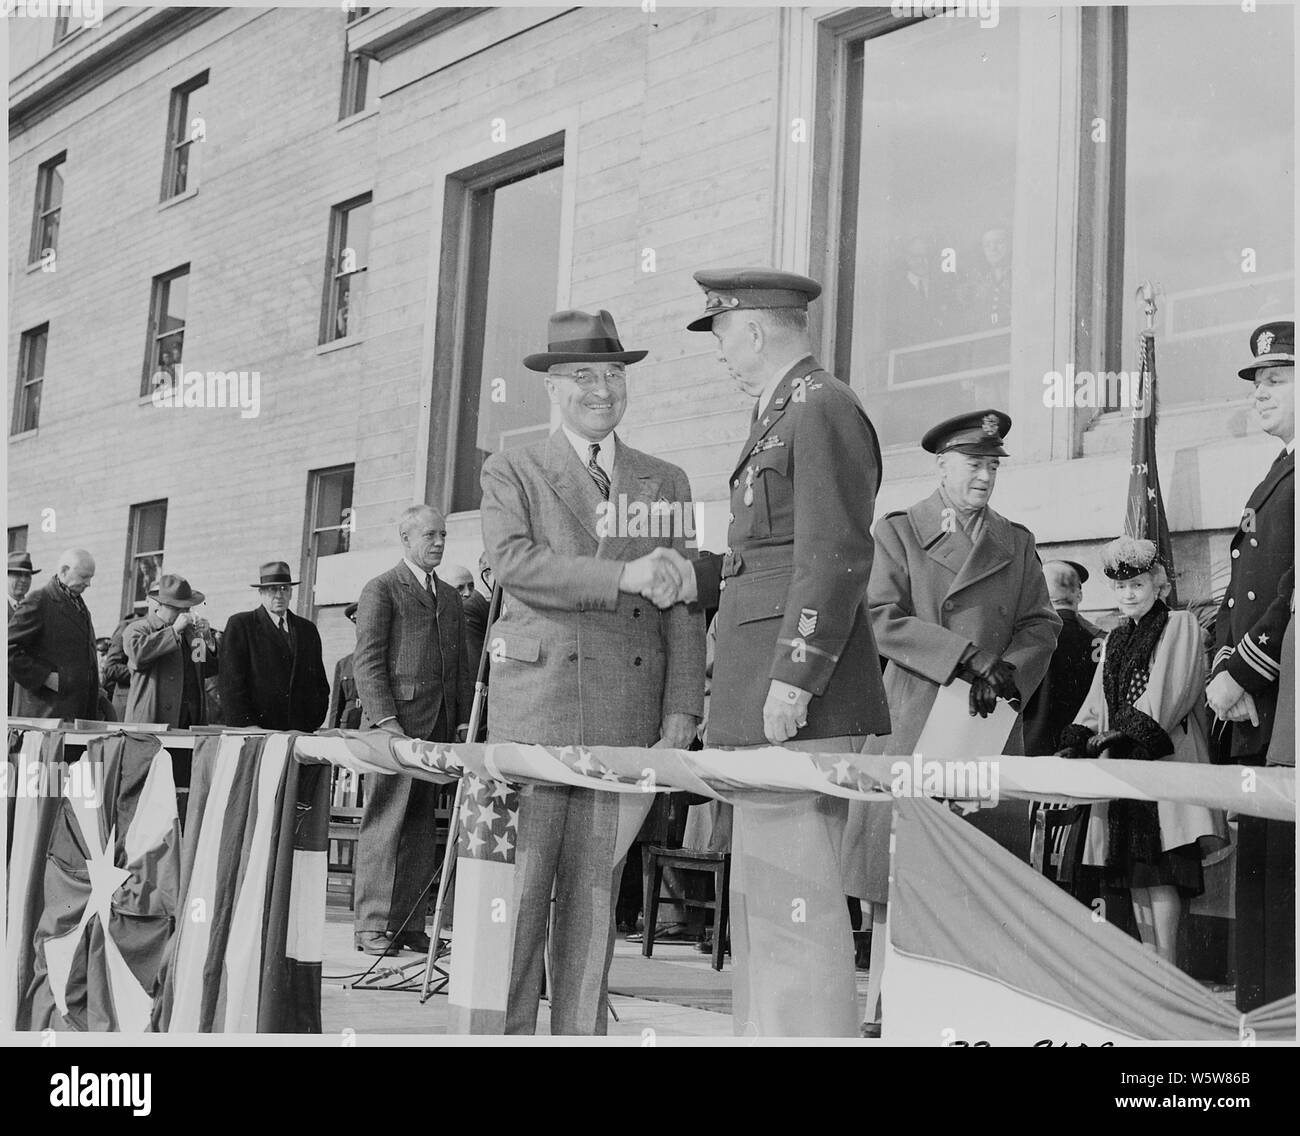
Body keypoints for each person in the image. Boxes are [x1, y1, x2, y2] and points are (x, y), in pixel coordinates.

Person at [652, 268, 891, 1037]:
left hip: (796, 701)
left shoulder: (820, 409)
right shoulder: (781, 412)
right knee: (763, 905)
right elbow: (767, 558)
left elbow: (835, 552)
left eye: (720, 331)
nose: (719, 349)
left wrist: (796, 673)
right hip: (760, 700)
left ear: (753, 329)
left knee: (799, 903)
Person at [480, 308, 704, 1035]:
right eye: (583, 376)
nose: (602, 389)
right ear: (551, 386)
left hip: (626, 719)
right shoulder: (512, 468)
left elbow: (683, 606)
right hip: (538, 713)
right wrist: (624, 577)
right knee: (517, 900)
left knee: (592, 902)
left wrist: (680, 715)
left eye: (614, 374)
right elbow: (515, 565)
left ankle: (580, 1036)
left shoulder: (665, 482)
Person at [847, 410, 1061, 1032]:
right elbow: (880, 614)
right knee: (896, 873)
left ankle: (965, 1008)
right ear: (941, 465)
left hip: (984, 724)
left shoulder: (1015, 541)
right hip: (915, 715)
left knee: (975, 870)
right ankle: (881, 1006)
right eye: (974, 464)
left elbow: (1042, 623)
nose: (986, 476)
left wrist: (1008, 672)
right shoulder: (899, 533)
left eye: (994, 465)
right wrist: (964, 658)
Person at [1056, 537, 1227, 964]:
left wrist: (1126, 731)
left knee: (1163, 870)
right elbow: (1098, 700)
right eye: (1120, 587)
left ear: (1158, 585)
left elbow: (1170, 691)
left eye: (1136, 585)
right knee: (1136, 873)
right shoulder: (1115, 639)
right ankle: (1153, 968)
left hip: (1165, 764)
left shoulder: (1179, 625)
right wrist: (1080, 733)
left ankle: (1166, 969)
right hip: (1126, 771)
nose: (1128, 594)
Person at [1204, 319, 1295, 1011]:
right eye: (1257, 381)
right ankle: (1260, 1014)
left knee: (1283, 867)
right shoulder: (1278, 471)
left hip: (1283, 693)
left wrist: (1247, 670)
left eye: (1277, 379)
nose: (1260, 392)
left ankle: (1277, 1013)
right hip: (1258, 699)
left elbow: (1290, 585)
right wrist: (1227, 664)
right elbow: (1242, 591)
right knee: (1262, 860)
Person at [351, 506, 474, 957]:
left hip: (436, 731)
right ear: (405, 537)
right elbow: (368, 661)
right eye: (429, 535)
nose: (438, 542)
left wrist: (461, 721)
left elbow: (459, 666)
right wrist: (387, 725)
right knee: (386, 822)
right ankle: (371, 925)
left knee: (421, 826)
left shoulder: (448, 596)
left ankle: (408, 925)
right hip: (394, 731)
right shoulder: (381, 590)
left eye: (443, 534)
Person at [219, 560, 330, 731]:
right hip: (257, 732)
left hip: (299, 733)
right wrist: (247, 726)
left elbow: (320, 684)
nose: (279, 595)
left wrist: (311, 722)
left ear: (292, 593)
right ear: (261, 592)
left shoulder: (307, 630)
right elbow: (231, 684)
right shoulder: (241, 625)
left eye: (285, 589)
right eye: (273, 589)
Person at [1022, 560, 1104, 757]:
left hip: (1032, 749)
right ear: (1079, 595)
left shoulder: (1025, 638)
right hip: (1084, 748)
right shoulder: (1100, 640)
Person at [9, 548, 101, 723]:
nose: (88, 584)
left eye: (91, 578)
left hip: (74, 715)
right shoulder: (39, 601)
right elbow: (8, 649)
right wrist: (44, 677)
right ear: (64, 571)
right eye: (84, 577)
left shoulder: (78, 604)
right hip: (47, 715)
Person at [123, 573, 219, 727]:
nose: (183, 614)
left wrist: (209, 641)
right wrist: (173, 632)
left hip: (189, 720)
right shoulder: (138, 629)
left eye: (186, 608)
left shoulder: (191, 634)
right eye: (176, 608)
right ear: (160, 604)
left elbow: (204, 669)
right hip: (153, 720)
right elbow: (137, 655)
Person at [326, 602, 363, 730]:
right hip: (347, 727)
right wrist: (331, 735)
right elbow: (336, 708)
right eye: (358, 626)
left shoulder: (385, 661)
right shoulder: (344, 664)